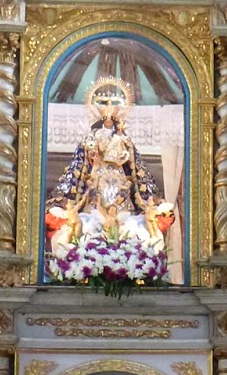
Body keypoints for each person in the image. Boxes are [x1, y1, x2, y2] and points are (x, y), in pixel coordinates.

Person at [47, 79, 169, 255]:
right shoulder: (92, 136)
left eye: (113, 105)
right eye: (104, 104)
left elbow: (133, 164)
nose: (109, 110)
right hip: (98, 177)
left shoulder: (124, 138)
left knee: (129, 223)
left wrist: (123, 148)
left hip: (119, 179)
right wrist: (93, 155)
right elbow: (83, 162)